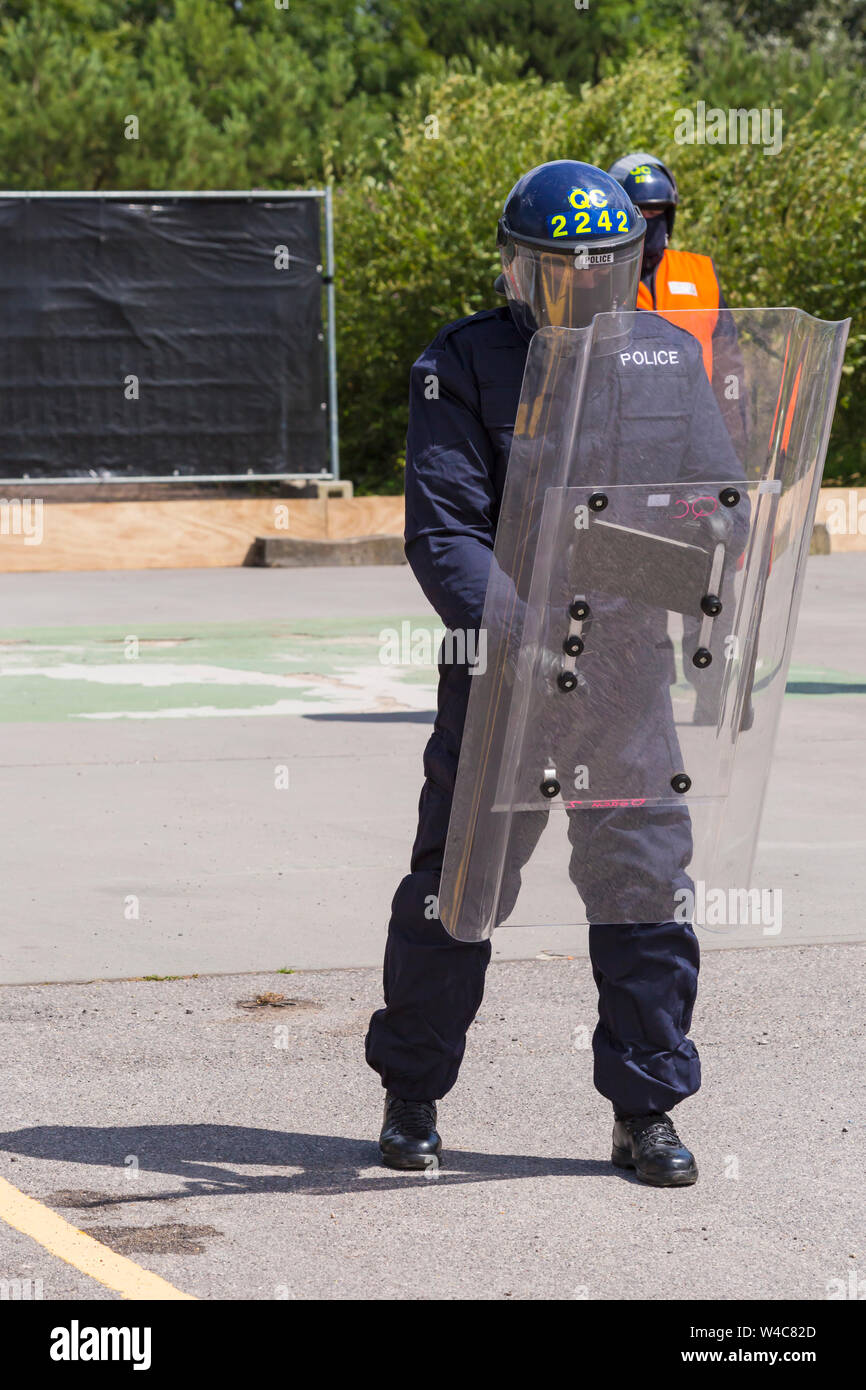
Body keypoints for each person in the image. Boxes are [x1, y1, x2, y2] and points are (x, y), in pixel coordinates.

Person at [364, 159, 743, 1187]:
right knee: (455, 892)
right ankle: (412, 1095)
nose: (580, 291)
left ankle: (646, 1110)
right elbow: (445, 533)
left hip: (622, 681)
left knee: (642, 895)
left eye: (600, 270)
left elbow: (714, 508)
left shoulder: (664, 358)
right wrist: (527, 628)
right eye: (556, 272)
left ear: (628, 266)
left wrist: (666, 558)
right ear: (514, 272)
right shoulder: (461, 364)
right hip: (501, 673)